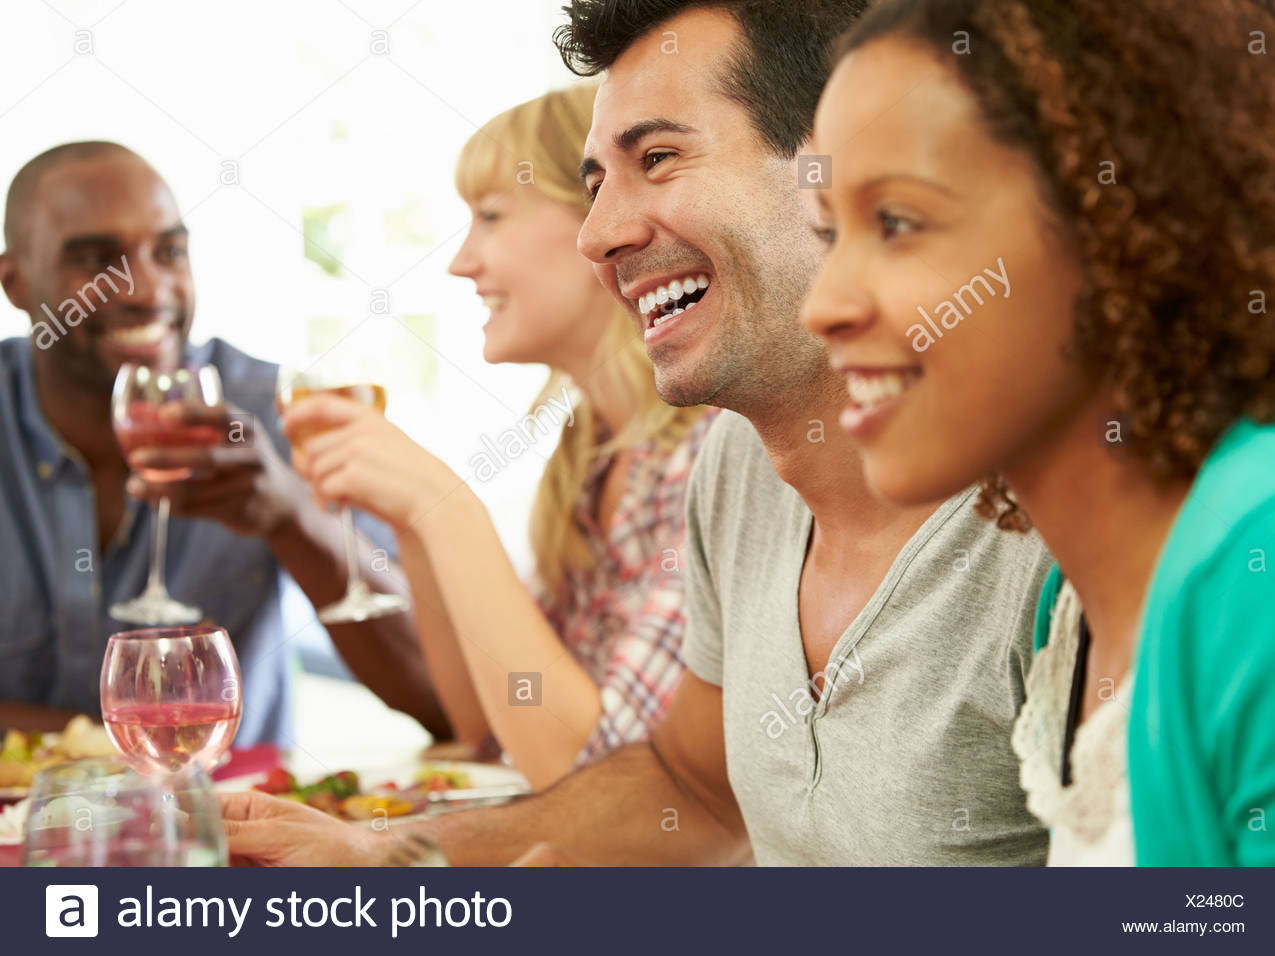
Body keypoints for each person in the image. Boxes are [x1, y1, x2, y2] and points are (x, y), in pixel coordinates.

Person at [223, 0, 1054, 867]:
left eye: (658, 158)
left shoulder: (1045, 532)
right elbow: (688, 788)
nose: (598, 236)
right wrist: (390, 856)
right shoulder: (737, 466)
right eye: (591, 187)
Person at [802, 0, 1275, 866]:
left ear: (1113, 224)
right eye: (829, 233)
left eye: (899, 224)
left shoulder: (1272, 568)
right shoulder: (1065, 617)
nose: (824, 306)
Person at [280, 86, 715, 790]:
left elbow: (598, 786)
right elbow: (487, 724)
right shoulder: (591, 452)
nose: (461, 262)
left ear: (598, 222)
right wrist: (412, 523)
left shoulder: (711, 449)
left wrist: (444, 508)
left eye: (490, 217)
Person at [0, 141, 449, 744]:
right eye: (99, 260)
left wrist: (293, 516)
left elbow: (445, 699)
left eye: (169, 251)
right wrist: (96, 745)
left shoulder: (269, 415)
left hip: (234, 827)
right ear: (16, 281)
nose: (146, 289)